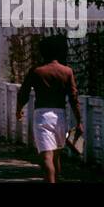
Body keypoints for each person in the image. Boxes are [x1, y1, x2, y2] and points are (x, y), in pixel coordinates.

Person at [16, 35, 83, 183]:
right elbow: (74, 98)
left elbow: (23, 93)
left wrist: (19, 108)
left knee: (47, 158)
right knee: (56, 157)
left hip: (42, 116)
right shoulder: (67, 71)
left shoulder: (37, 71)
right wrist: (79, 121)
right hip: (60, 117)